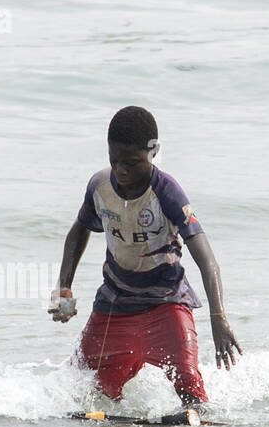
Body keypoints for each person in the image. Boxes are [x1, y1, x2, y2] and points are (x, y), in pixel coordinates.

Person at [49, 106, 241, 407]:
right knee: (84, 388)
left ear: (152, 153)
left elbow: (207, 259)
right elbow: (79, 230)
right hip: (114, 303)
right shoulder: (99, 186)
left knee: (189, 386)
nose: (122, 170)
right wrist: (64, 289)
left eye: (132, 162)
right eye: (115, 161)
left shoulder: (167, 193)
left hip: (166, 303)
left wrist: (219, 318)